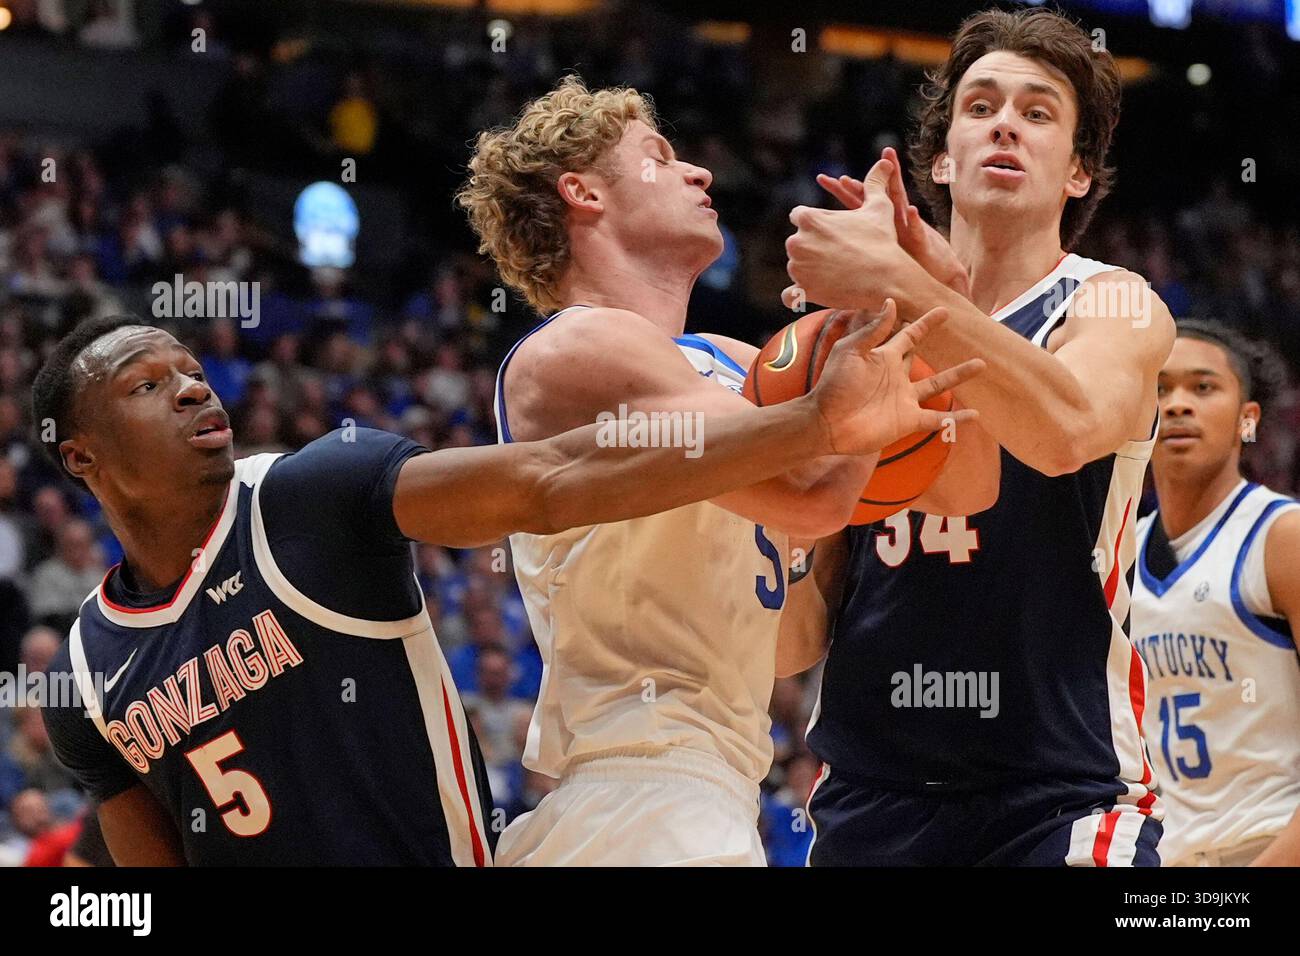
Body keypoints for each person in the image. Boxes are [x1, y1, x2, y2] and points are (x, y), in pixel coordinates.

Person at [36, 310, 970, 866]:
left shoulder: (310, 495)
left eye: (193, 372)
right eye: (147, 386)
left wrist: (812, 426)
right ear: (81, 457)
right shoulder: (84, 675)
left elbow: (548, 481)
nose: (192, 390)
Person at [457, 76, 984, 865]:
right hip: (638, 794)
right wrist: (892, 315)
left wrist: (930, 293)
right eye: (659, 157)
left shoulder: (738, 364)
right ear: (582, 193)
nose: (699, 171)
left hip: (713, 795)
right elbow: (814, 492)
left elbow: (791, 644)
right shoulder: (576, 347)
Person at [780, 6, 1175, 866]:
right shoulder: (861, 334)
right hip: (868, 800)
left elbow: (1067, 428)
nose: (1006, 125)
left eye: (1038, 113)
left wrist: (900, 284)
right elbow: (793, 641)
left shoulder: (1112, 301)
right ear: (940, 159)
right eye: (982, 106)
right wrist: (780, 480)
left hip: (1059, 796)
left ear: (1078, 173)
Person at [1133, 320, 1300, 866]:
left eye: (1202, 387)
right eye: (1160, 388)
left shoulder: (1282, 536)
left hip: (1269, 843)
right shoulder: (1117, 553)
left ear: (1247, 420)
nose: (1178, 404)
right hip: (1163, 854)